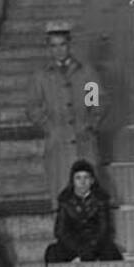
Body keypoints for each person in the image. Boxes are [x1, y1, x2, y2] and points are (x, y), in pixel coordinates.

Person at [23, 20, 104, 198]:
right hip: (58, 147)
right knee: (62, 195)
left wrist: (89, 126)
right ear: (49, 48)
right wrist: (50, 128)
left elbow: (96, 104)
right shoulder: (41, 76)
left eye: (62, 45)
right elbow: (33, 107)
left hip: (84, 143)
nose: (58, 50)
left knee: (90, 198)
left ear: (69, 44)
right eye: (54, 46)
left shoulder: (86, 72)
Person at [44, 159, 122, 264]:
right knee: (52, 253)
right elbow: (61, 231)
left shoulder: (101, 199)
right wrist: (79, 248)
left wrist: (91, 247)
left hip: (96, 244)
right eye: (78, 178)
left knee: (112, 253)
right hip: (73, 245)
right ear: (73, 181)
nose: (82, 182)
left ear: (92, 180)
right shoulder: (65, 200)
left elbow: (104, 229)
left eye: (86, 177)